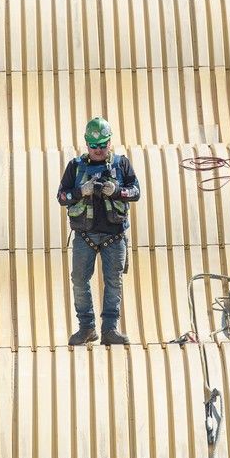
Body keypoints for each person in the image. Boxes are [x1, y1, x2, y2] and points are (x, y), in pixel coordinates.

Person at [57, 117, 140, 344]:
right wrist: (79, 192)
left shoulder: (121, 164)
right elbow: (62, 197)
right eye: (94, 145)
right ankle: (87, 327)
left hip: (114, 237)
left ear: (109, 142)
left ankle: (110, 330)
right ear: (86, 144)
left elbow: (136, 191)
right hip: (85, 236)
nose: (98, 150)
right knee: (79, 280)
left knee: (113, 282)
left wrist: (116, 191)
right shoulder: (75, 166)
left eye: (103, 145)